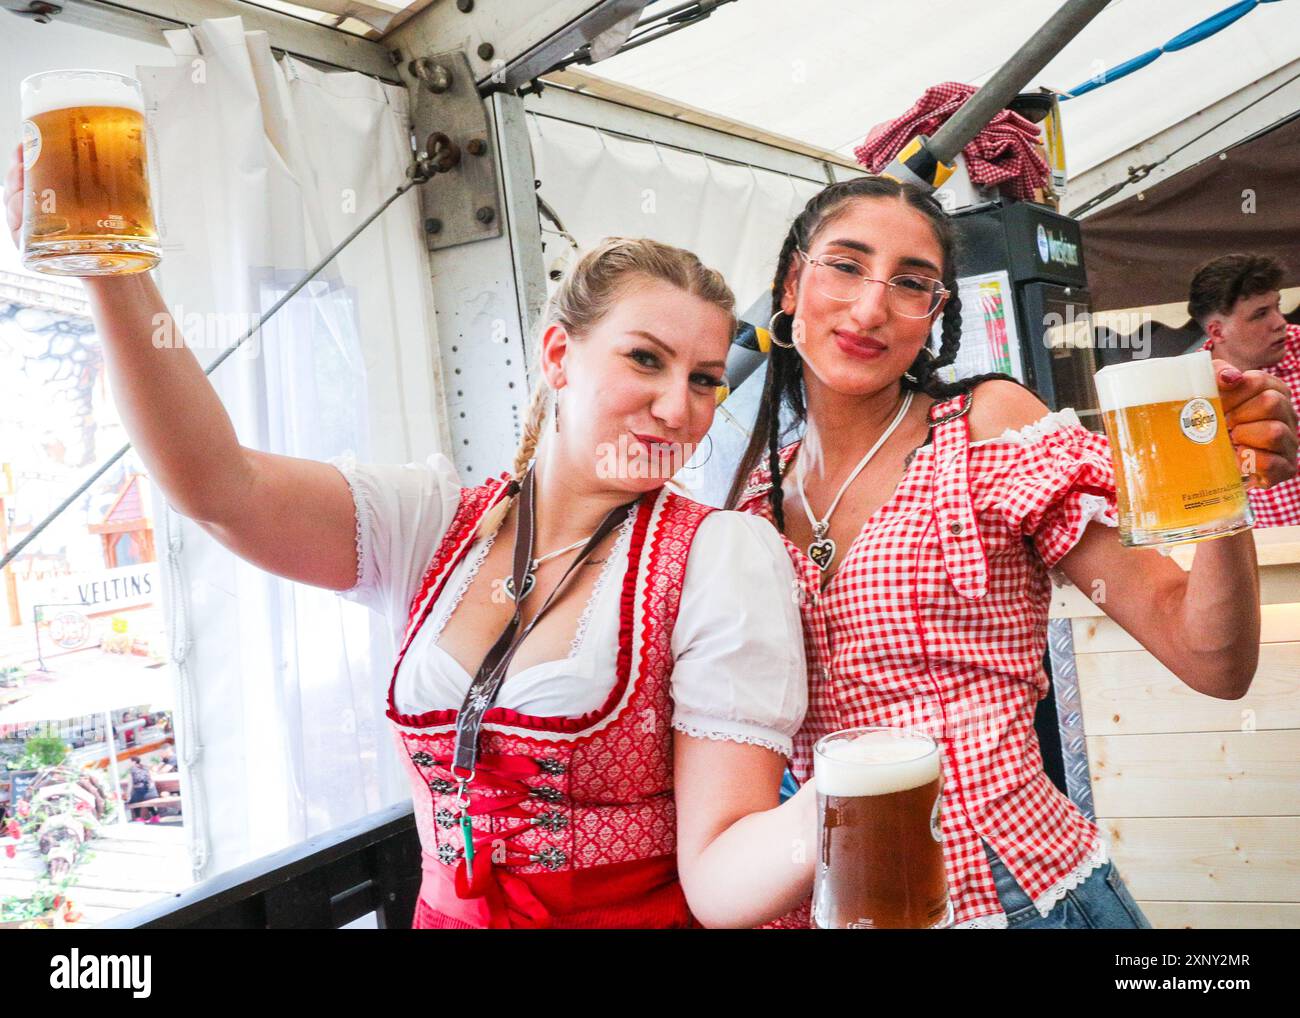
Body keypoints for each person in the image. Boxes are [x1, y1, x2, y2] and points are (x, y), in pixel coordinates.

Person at [7, 142, 818, 927]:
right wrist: (112, 270)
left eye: (705, 380)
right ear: (558, 356)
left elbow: (721, 875)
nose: (680, 408)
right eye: (646, 360)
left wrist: (861, 786)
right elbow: (216, 487)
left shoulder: (720, 558)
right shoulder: (433, 526)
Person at [727, 176, 1298, 929]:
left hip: (1026, 894)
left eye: (911, 283)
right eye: (845, 264)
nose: (871, 307)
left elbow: (1212, 661)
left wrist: (1222, 487)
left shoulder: (984, 429)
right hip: (849, 907)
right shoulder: (753, 496)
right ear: (793, 282)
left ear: (936, 314)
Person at [1190, 253, 1300, 526]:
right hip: (1262, 556)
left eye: (1277, 306)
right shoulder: (1189, 391)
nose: (1280, 322)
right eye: (1260, 314)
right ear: (1217, 332)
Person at [124, 756, 158, 822]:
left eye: (129, 762)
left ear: (134, 762)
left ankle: (138, 818)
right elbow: (152, 779)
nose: (128, 764)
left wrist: (127, 796)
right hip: (152, 793)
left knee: (133, 801)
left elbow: (130, 785)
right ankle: (155, 816)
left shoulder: (132, 770)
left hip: (142, 794)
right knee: (146, 799)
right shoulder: (145, 768)